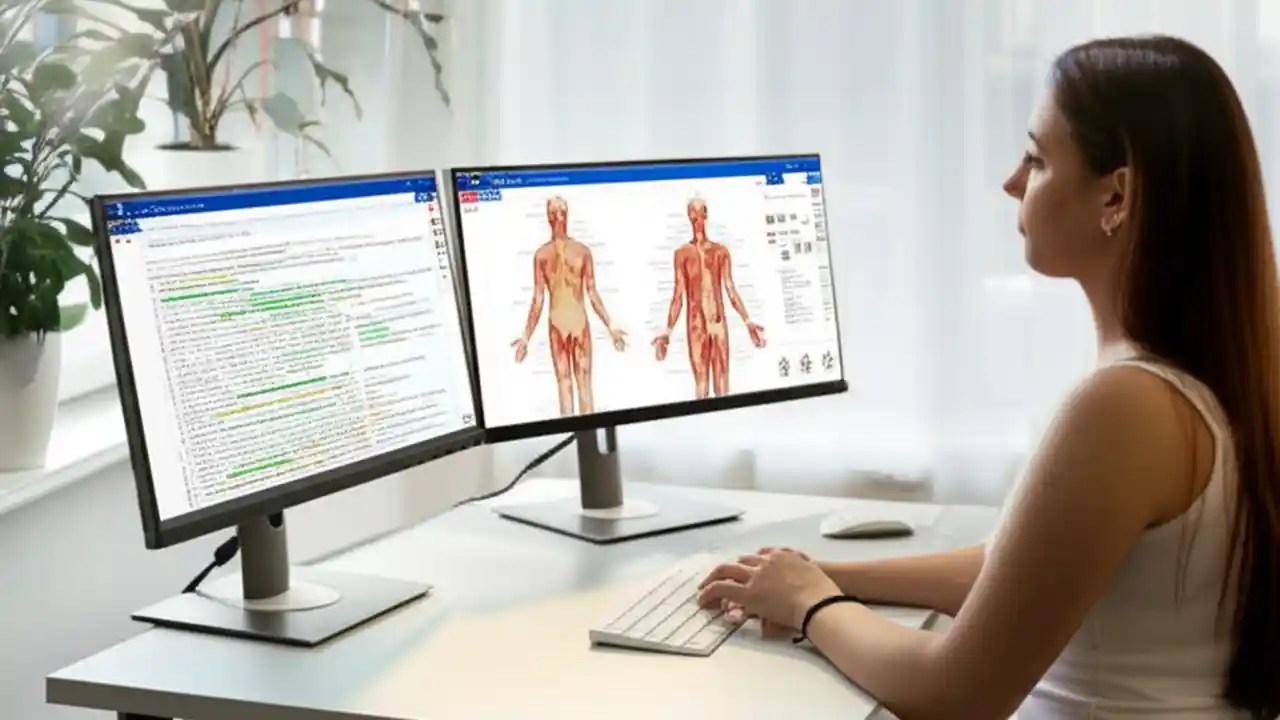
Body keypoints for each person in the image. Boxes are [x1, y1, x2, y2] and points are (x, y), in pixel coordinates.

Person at [697, 35, 1280, 720]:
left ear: (1116, 195)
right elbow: (1028, 571)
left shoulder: (1127, 406)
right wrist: (827, 576)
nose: (1012, 181)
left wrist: (810, 605)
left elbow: (956, 694)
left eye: (1036, 158)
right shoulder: (1211, 381)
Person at [513, 196, 627, 416]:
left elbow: (591, 292)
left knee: (576, 385)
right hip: (566, 322)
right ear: (549, 217)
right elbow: (539, 298)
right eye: (556, 213)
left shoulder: (575, 252)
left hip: (569, 322)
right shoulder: (549, 255)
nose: (558, 218)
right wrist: (526, 337)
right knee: (570, 385)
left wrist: (611, 326)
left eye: (561, 213)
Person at [653, 197, 766, 398]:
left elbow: (730, 288)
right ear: (689, 217)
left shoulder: (720, 252)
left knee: (723, 386)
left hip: (718, 323)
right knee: (701, 386)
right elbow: (678, 294)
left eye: (699, 213)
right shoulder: (682, 254)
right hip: (696, 325)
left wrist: (747, 321)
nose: (696, 219)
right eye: (692, 214)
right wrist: (667, 331)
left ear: (706, 214)